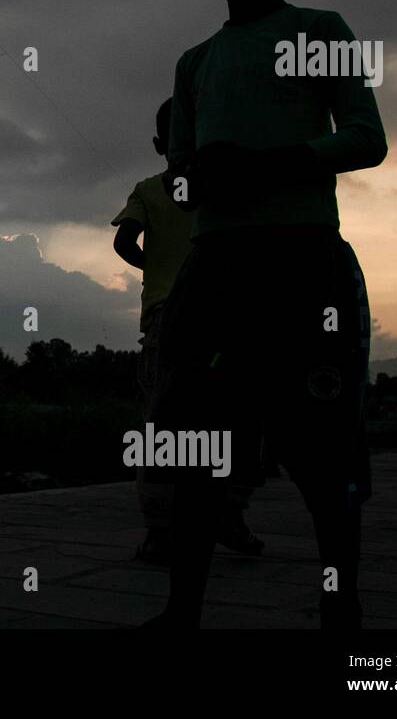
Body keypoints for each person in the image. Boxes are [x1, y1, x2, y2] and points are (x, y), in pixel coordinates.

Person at [146, 0, 386, 629]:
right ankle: (182, 609)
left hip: (301, 261)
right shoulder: (194, 62)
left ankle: (339, 605)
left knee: (324, 452)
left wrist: (267, 162)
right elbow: (180, 177)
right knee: (195, 447)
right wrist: (200, 176)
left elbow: (366, 137)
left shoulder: (318, 29)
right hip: (214, 270)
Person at [112, 99, 263, 566]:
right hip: (224, 315)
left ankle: (161, 530)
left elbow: (123, 242)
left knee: (163, 423)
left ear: (160, 145)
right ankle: (229, 514)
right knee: (238, 418)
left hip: (167, 317)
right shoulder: (228, 189)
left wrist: (156, 268)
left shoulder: (147, 190)